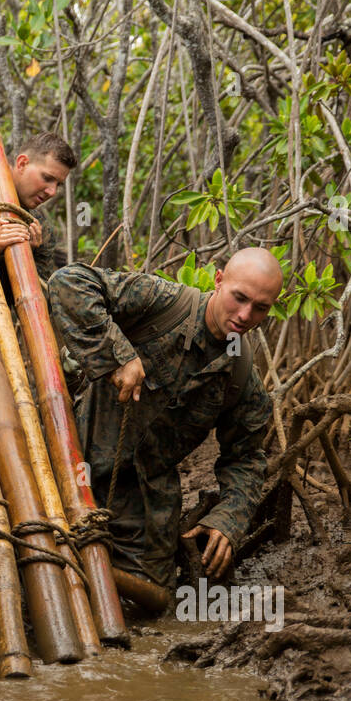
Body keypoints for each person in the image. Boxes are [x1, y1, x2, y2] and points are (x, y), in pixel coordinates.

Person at [48, 247, 283, 590]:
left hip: (145, 509)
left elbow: (246, 457)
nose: (245, 315)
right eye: (239, 298)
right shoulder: (162, 302)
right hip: (71, 460)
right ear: (218, 281)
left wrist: (228, 521)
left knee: (150, 598)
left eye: (260, 308)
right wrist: (120, 356)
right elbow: (68, 283)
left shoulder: (241, 375)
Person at [0, 132, 77, 293]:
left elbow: (37, 299)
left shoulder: (40, 229)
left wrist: (26, 257)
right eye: (47, 178)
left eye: (58, 185)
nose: (52, 192)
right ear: (22, 163)